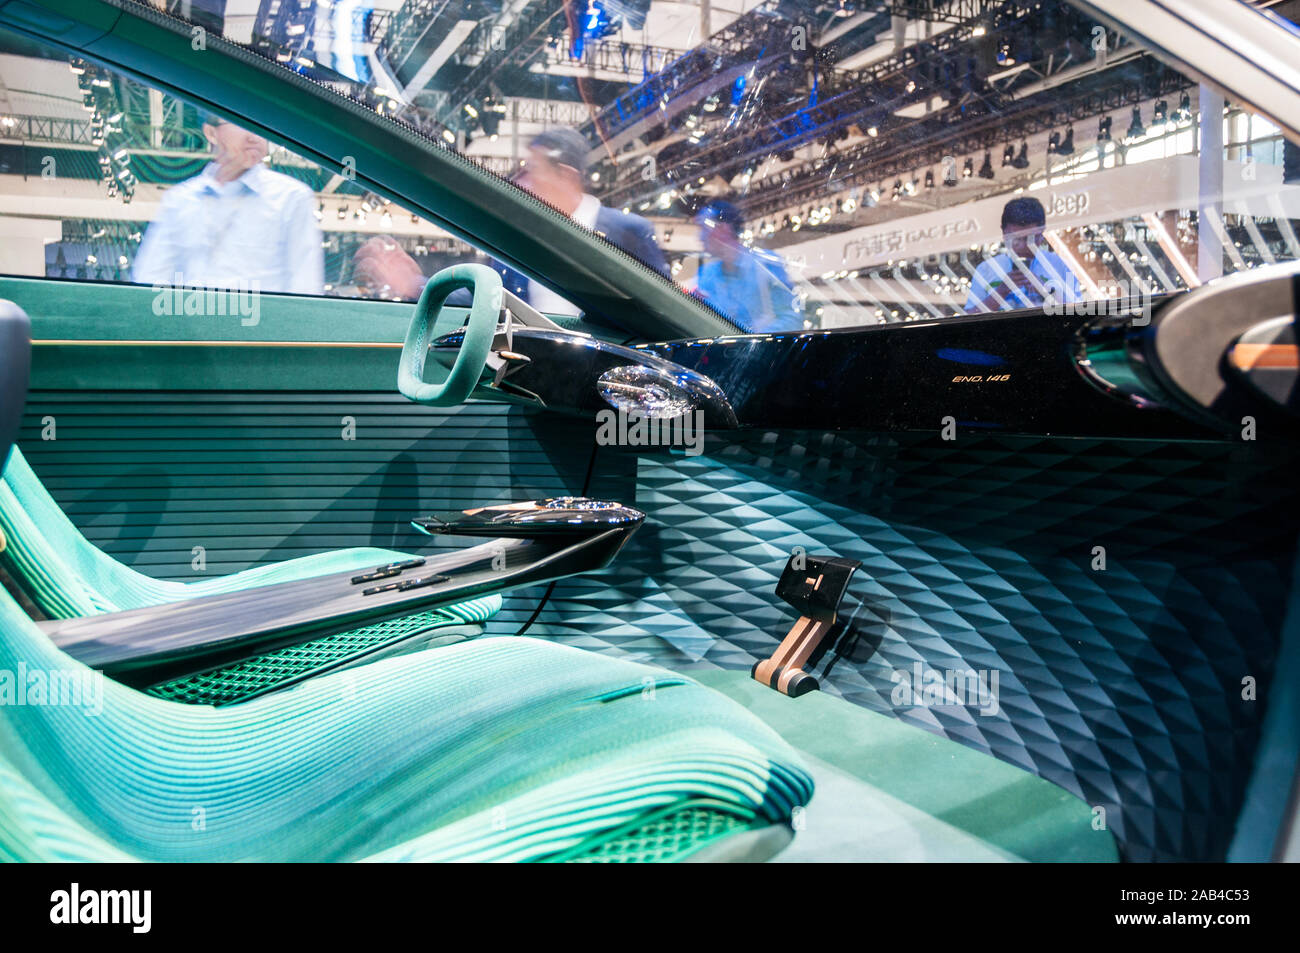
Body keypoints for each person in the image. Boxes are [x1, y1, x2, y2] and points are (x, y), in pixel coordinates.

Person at [353, 127, 668, 311]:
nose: (522, 183)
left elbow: (664, 314)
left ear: (567, 177)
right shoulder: (521, 240)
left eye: (532, 172)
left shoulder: (629, 233)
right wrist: (419, 287)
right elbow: (487, 297)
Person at [133, 113, 323, 294]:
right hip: (190, 324)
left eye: (263, 125)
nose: (255, 136)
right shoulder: (180, 200)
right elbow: (150, 278)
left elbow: (305, 287)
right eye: (244, 123)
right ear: (211, 133)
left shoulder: (291, 198)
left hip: (259, 325)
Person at [694, 199, 800, 332]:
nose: (700, 237)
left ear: (723, 228)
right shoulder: (706, 275)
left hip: (761, 350)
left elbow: (791, 318)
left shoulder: (765, 265)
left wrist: (752, 340)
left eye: (704, 228)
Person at [964, 196, 1080, 313]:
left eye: (1031, 238)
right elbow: (968, 319)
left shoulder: (1060, 265)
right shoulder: (986, 269)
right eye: (1016, 239)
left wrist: (1045, 290)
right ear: (1004, 233)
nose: (1024, 245)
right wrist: (1002, 291)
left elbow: (1079, 311)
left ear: (1042, 232)